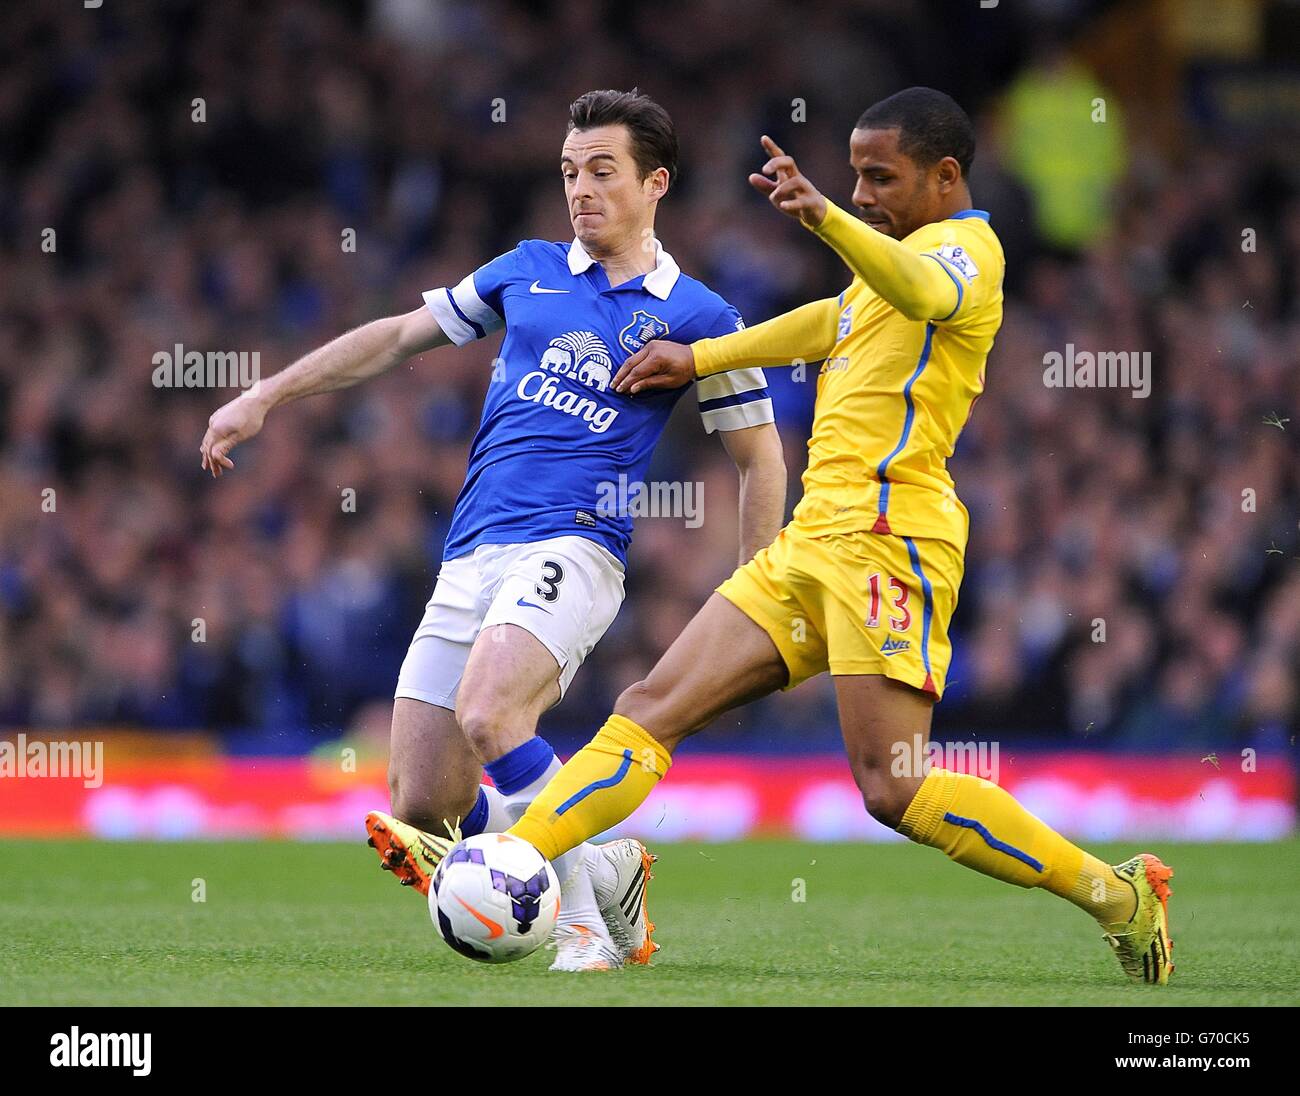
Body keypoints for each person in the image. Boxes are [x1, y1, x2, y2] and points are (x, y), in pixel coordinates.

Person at [504, 88, 1174, 984]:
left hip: (891, 539)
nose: (859, 194)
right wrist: (701, 356)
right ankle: (511, 860)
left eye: (878, 177)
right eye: (852, 177)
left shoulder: (968, 253)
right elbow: (835, 321)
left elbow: (926, 293)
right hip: (814, 532)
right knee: (647, 709)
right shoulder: (886, 265)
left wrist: (821, 217)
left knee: (892, 787)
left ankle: (1116, 895)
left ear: (945, 177)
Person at [199, 89, 786, 971]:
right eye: (568, 172)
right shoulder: (526, 270)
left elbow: (759, 459)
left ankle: (585, 927)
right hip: (472, 550)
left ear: (655, 182)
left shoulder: (701, 315)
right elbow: (400, 335)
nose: (580, 190)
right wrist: (266, 393)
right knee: (423, 800)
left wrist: (756, 592)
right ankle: (603, 863)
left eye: (602, 171)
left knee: (491, 711)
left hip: (576, 545)